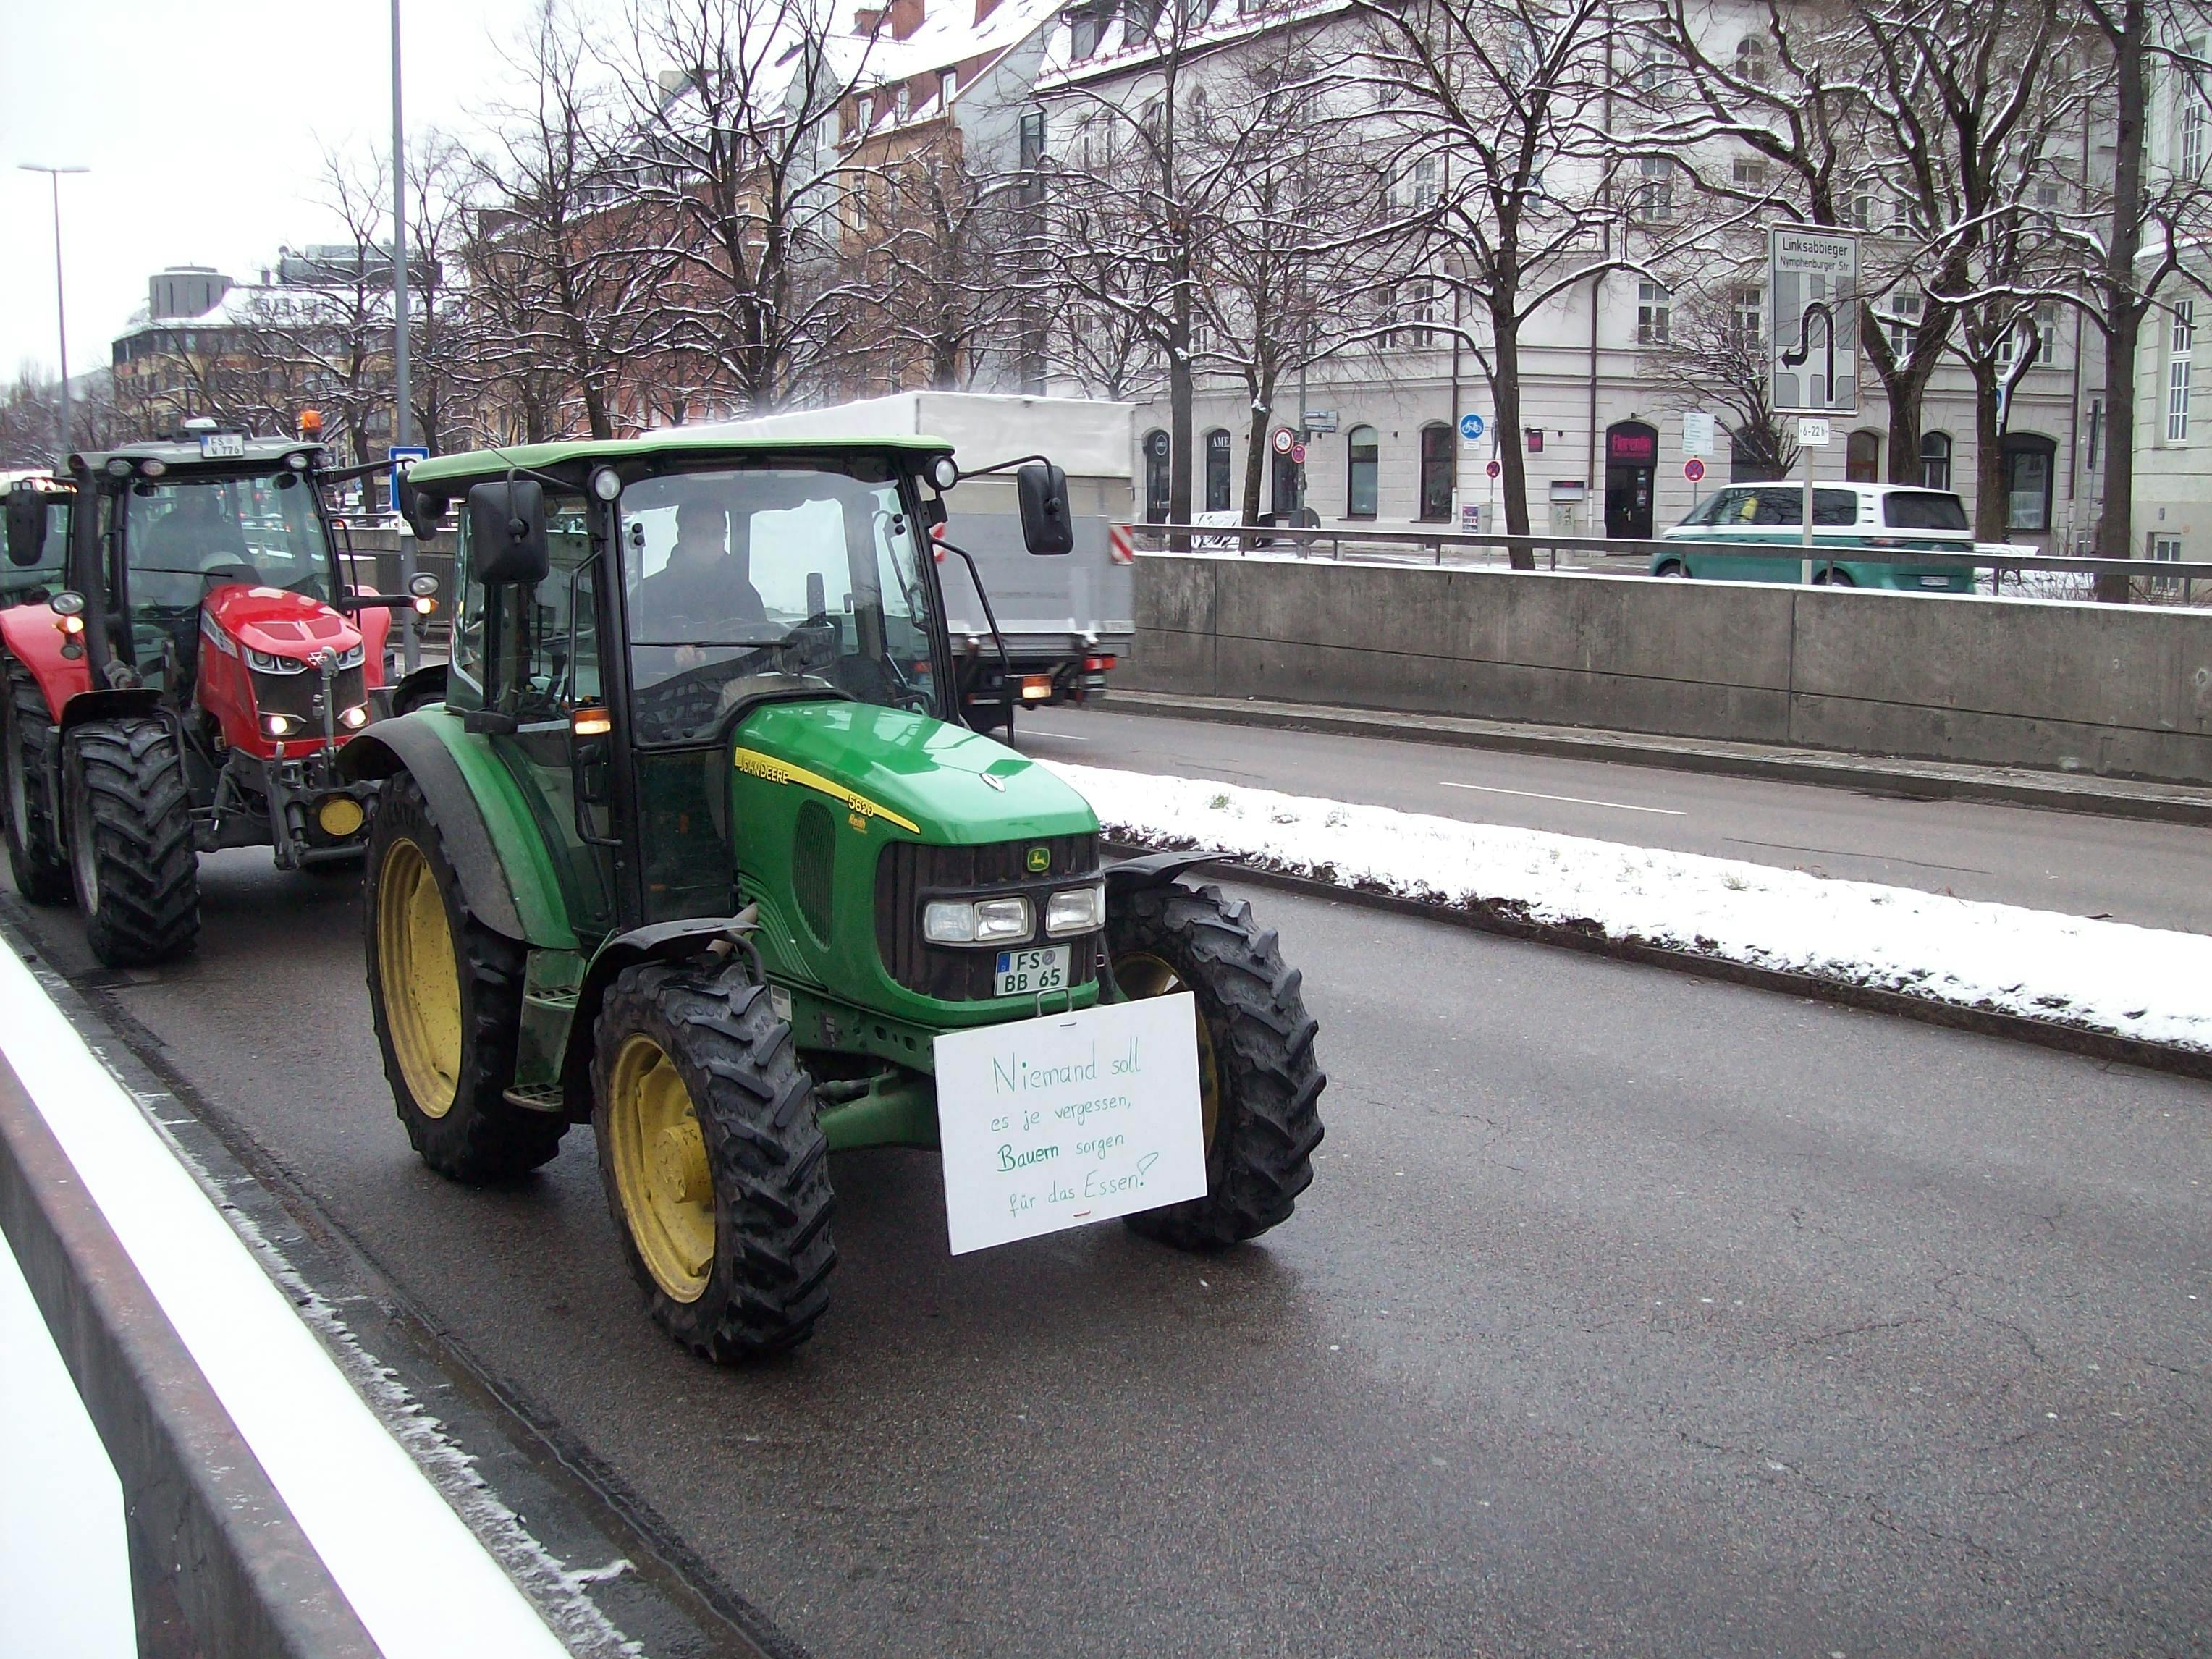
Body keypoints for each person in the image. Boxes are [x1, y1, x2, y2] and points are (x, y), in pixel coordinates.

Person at [633, 497, 767, 643]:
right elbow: (634, 655)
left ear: (724, 538)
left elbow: (763, 651)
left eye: (715, 533)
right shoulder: (648, 595)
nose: (708, 541)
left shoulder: (745, 595)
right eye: (698, 532)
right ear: (681, 537)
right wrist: (672, 657)